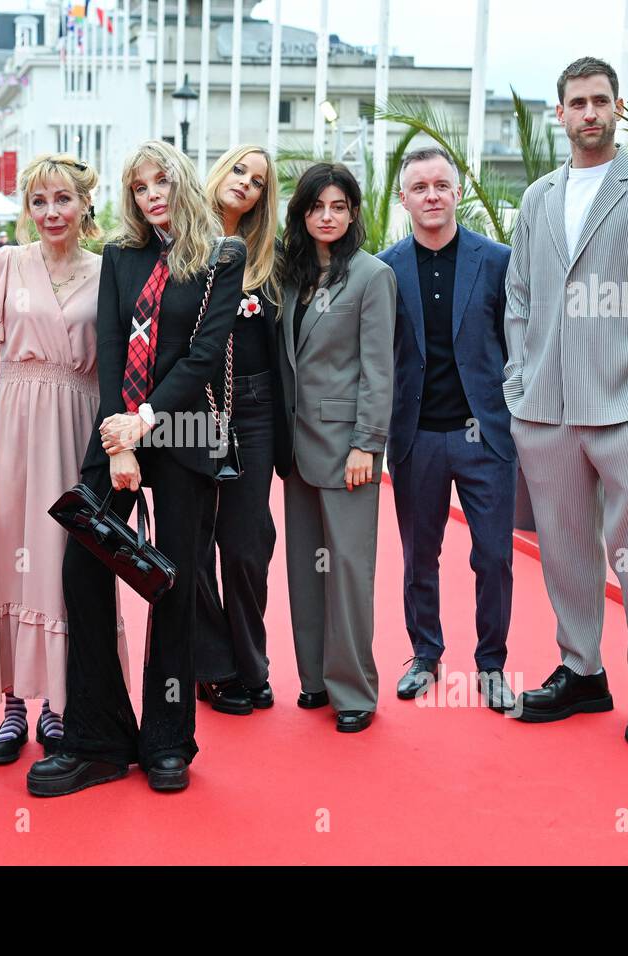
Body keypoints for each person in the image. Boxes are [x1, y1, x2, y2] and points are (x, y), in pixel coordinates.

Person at [26, 140, 245, 797]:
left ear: (181, 183)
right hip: (120, 428)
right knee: (81, 566)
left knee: (173, 586)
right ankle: (97, 740)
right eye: (140, 186)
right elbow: (115, 345)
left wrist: (144, 420)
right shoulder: (121, 257)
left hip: (180, 429)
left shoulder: (219, 257)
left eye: (161, 182)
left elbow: (204, 355)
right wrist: (120, 442)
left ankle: (168, 741)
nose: (152, 194)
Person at [504, 57, 628, 746]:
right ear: (560, 113)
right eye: (577, 103)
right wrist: (518, 384)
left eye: (600, 101)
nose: (589, 112)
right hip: (546, 409)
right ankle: (582, 672)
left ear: (618, 107)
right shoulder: (536, 198)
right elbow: (519, 296)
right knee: (563, 550)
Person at [0, 153, 127, 764]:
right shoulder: (5, 265)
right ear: (26, 209)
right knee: (10, 550)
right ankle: (13, 705)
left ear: (86, 203)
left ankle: (60, 703)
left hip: (77, 428)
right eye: (38, 202)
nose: (51, 212)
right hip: (14, 424)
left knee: (67, 561)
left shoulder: (111, 269)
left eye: (63, 200)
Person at [376, 147, 517, 712]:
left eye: (441, 185)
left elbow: (519, 345)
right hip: (415, 438)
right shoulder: (385, 269)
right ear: (403, 197)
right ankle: (425, 653)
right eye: (419, 187)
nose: (431, 195)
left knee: (494, 556)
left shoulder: (498, 260)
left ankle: (492, 664)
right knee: (419, 555)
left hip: (485, 436)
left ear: (458, 191)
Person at [277, 162, 395, 734]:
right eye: (317, 206)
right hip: (296, 449)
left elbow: (379, 370)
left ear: (352, 214)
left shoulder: (372, 277)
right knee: (306, 568)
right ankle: (316, 678)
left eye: (339, 207)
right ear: (302, 214)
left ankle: (355, 692)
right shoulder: (290, 276)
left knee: (347, 569)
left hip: (348, 448)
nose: (327, 216)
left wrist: (367, 445)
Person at [193, 145, 287, 715]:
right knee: (194, 539)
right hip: (189, 408)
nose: (246, 184)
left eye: (257, 181)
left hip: (253, 406)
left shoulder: (269, 260)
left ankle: (253, 663)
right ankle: (213, 665)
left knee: (249, 541)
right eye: (239, 170)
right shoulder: (180, 243)